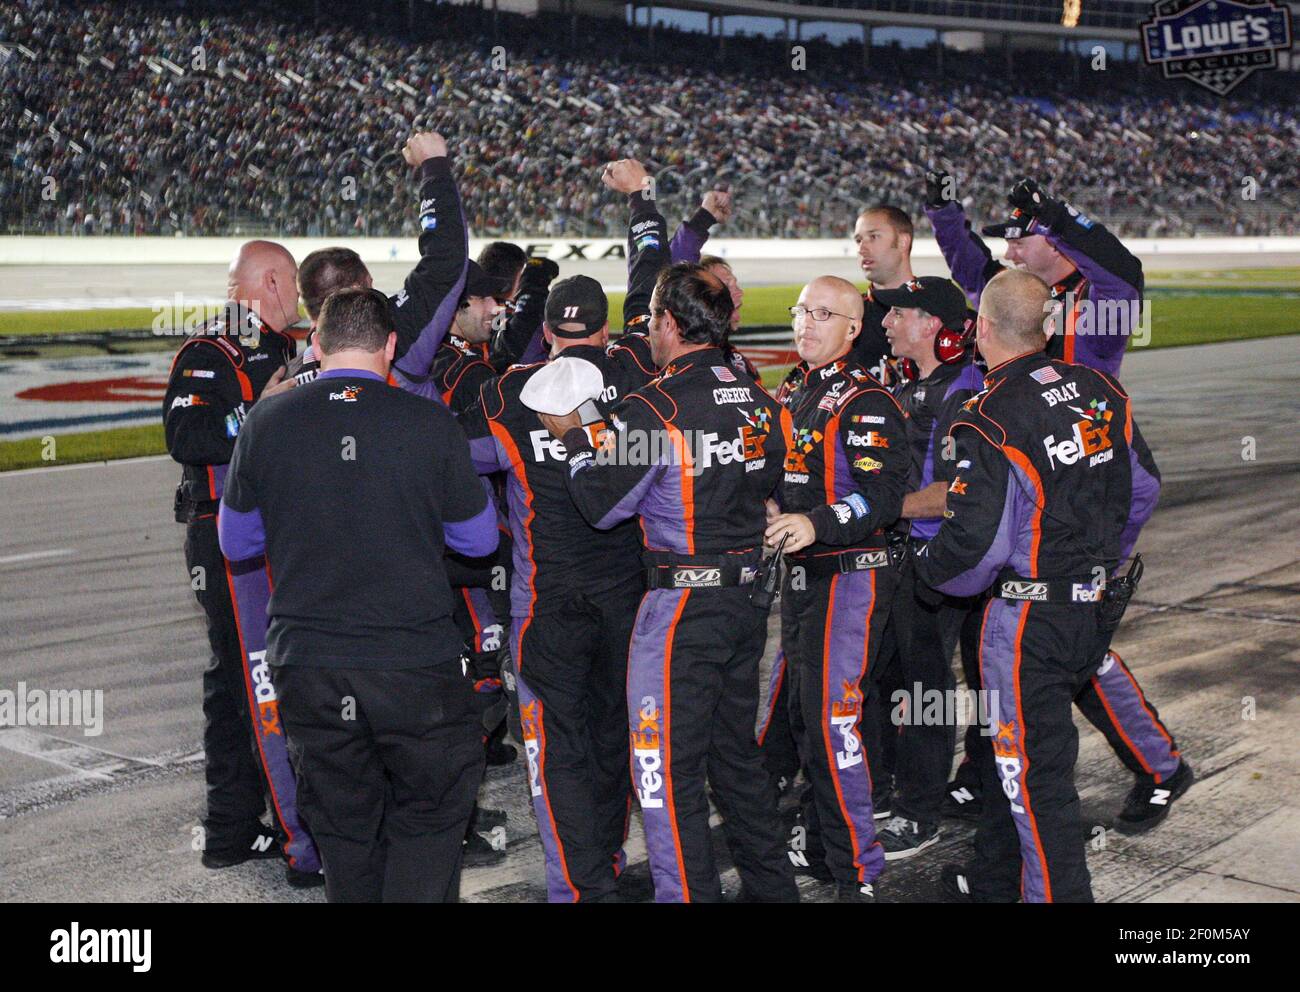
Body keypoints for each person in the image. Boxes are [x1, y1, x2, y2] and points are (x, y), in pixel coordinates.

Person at [925, 173, 1189, 832]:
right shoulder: (1027, 300)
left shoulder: (1097, 308)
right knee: (1004, 638)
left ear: (1059, 247)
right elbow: (975, 271)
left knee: (1070, 643)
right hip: (1044, 489)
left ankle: (1159, 765)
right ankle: (987, 773)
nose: (1009, 253)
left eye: (1022, 241)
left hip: (1092, 494)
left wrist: (1061, 216)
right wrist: (943, 211)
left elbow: (1126, 273)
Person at [218, 287, 497, 902]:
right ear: (390, 346)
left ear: (316, 345)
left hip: (310, 662)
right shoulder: (427, 421)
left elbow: (236, 542)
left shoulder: (267, 420)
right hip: (411, 661)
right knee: (430, 815)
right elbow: (478, 541)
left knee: (344, 830)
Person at [539, 261, 797, 904]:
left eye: (652, 315)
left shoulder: (656, 409)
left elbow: (601, 504)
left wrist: (577, 442)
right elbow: (771, 485)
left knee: (661, 771)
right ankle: (775, 892)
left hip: (682, 608)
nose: (648, 328)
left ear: (671, 324)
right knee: (734, 759)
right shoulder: (760, 399)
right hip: (746, 602)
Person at [913, 269, 1162, 903]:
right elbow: (1142, 489)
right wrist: (1102, 560)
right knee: (1018, 761)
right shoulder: (1101, 389)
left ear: (981, 329)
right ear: (1048, 327)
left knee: (1035, 779)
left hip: (1027, 621)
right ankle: (995, 879)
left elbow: (978, 548)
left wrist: (924, 572)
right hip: (1093, 607)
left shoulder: (988, 414)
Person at [163, 239, 316, 884]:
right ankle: (273, 831)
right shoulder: (211, 348)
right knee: (251, 680)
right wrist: (259, 410)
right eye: (294, 281)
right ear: (272, 281)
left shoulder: (289, 344)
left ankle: (236, 826)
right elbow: (186, 435)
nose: (300, 294)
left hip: (277, 532)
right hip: (226, 535)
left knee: (250, 679)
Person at [763, 276, 910, 902]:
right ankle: (826, 847)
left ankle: (862, 874)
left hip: (852, 576)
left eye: (823, 314)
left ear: (853, 329)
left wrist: (814, 523)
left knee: (831, 723)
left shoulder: (865, 399)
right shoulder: (796, 387)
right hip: (804, 578)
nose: (806, 323)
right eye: (801, 310)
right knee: (804, 718)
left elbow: (884, 497)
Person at [872, 277, 985, 860]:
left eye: (899, 314)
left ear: (932, 325)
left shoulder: (962, 390)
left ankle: (918, 814)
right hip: (906, 556)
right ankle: (891, 790)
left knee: (925, 689)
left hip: (939, 563)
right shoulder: (915, 382)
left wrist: (875, 509)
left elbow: (952, 493)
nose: (886, 323)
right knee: (892, 678)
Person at [851, 205, 919, 383]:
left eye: (873, 237)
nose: (861, 249)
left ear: (903, 241)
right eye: (858, 240)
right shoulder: (846, 316)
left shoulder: (940, 311)